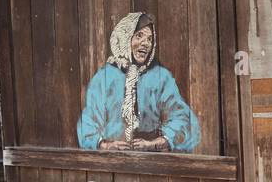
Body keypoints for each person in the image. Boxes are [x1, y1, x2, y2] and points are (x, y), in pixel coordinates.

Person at [76, 12, 200, 152]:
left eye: (149, 39)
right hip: (112, 164)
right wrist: (106, 146)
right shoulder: (104, 77)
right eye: (139, 36)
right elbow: (88, 122)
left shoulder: (160, 77)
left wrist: (155, 144)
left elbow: (185, 119)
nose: (145, 43)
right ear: (125, 37)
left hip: (151, 162)